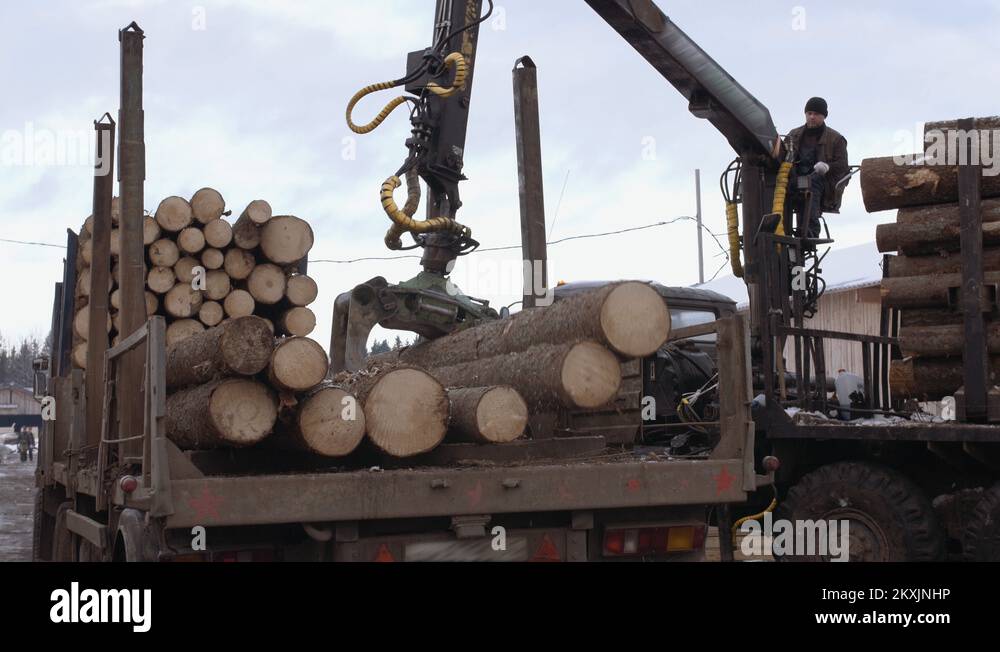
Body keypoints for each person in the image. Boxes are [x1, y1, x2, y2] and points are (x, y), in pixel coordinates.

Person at [786, 97, 849, 239]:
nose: (812, 117)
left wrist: (827, 167)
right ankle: (780, 227)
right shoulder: (793, 135)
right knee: (779, 185)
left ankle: (810, 232)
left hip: (823, 182)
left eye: (816, 114)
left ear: (824, 116)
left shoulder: (836, 139)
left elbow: (843, 165)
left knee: (811, 184)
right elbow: (782, 157)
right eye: (809, 113)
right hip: (795, 177)